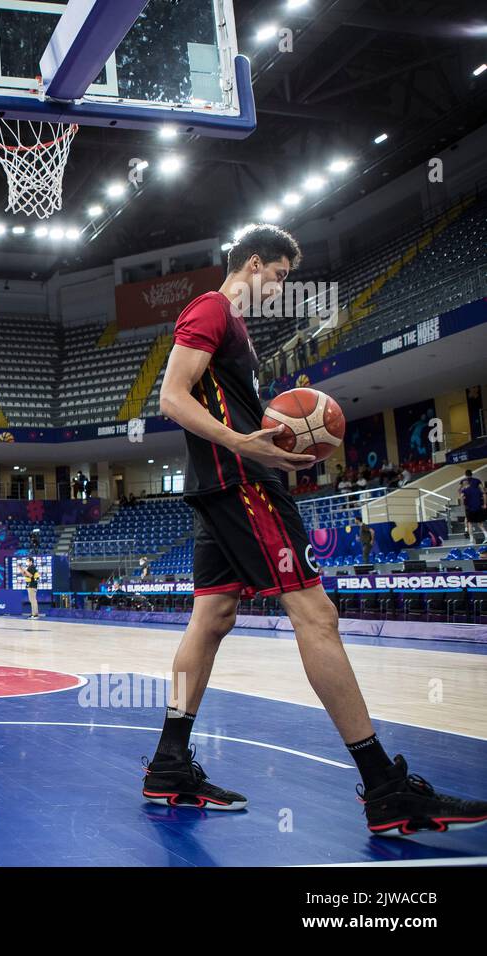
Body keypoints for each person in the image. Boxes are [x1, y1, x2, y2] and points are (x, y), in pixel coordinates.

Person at [144, 224, 487, 834]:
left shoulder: (235, 328)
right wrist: (243, 445)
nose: (280, 288)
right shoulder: (212, 308)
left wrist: (265, 438)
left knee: (212, 617)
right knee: (317, 614)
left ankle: (169, 765)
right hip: (242, 483)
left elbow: (218, 404)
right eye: (279, 276)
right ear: (254, 263)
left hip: (224, 484)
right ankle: (384, 787)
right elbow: (171, 397)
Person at [459, 469, 485, 545]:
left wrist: (462, 499)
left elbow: (459, 490)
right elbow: (483, 490)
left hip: (469, 506)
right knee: (480, 523)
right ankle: (485, 535)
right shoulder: (477, 482)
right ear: (472, 474)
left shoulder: (463, 485)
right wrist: (483, 502)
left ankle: (469, 536)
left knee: (469, 521)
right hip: (478, 504)